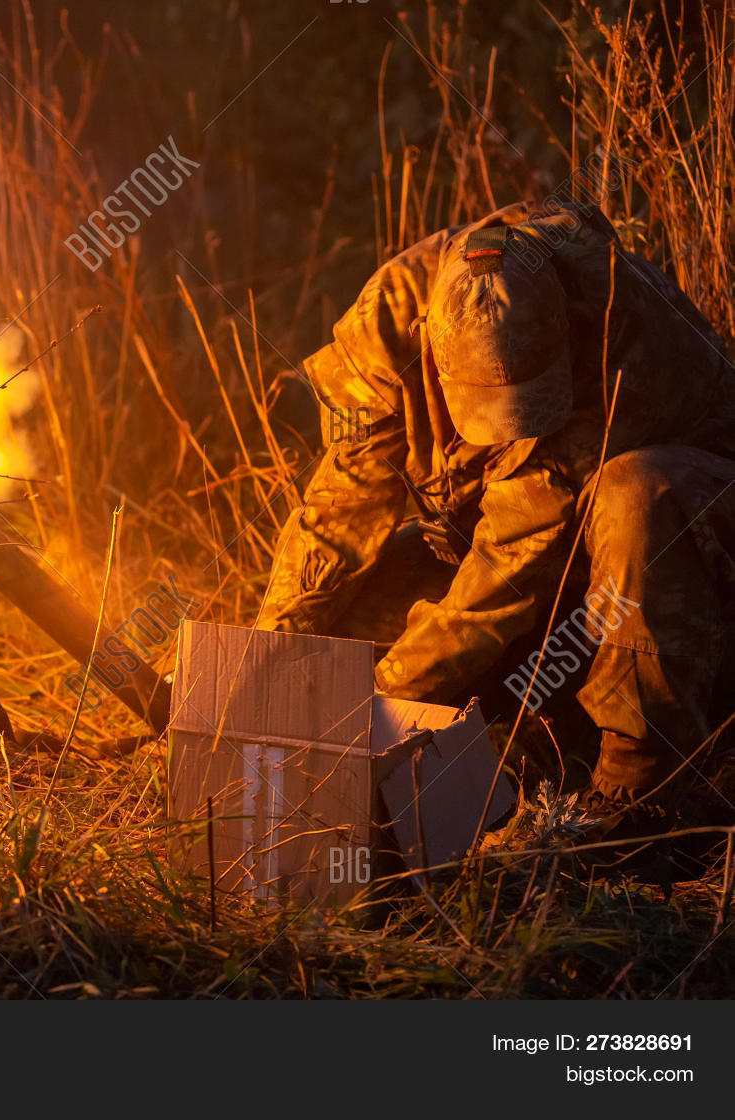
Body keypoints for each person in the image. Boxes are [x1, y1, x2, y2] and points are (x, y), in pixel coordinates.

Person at [256, 199, 735, 840]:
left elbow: (513, 567)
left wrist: (374, 709)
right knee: (341, 633)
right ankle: (526, 735)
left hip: (683, 565)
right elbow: (338, 512)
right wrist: (270, 666)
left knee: (636, 491)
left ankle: (639, 800)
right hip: (535, 560)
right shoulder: (388, 322)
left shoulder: (620, 324)